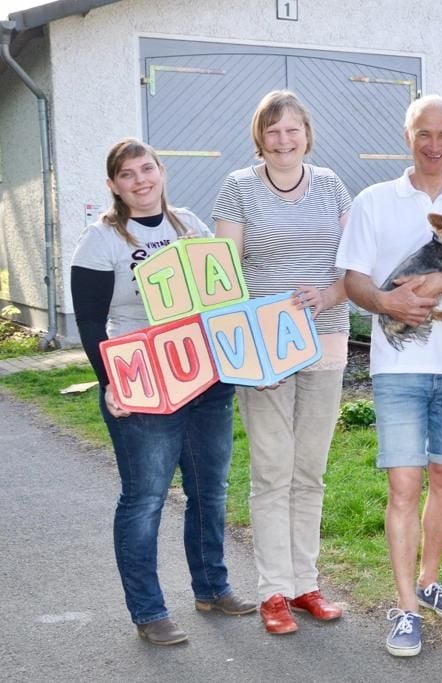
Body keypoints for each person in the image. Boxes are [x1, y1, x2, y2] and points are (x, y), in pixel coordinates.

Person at [70, 139, 256, 645]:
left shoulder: (189, 225)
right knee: (145, 498)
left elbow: (222, 295)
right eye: (127, 174)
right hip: (145, 387)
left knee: (209, 491)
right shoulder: (101, 239)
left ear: (161, 171)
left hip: (205, 378)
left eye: (147, 169)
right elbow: (89, 321)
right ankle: (149, 612)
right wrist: (111, 384)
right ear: (113, 185)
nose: (140, 180)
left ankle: (212, 589)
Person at [337, 95, 442, 657]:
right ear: (408, 136)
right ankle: (403, 609)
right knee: (405, 485)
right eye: (424, 133)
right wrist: (387, 304)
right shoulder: (375, 201)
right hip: (399, 367)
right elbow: (353, 281)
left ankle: (428, 582)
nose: (434, 144)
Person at [213, 90, 351, 635]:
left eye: (292, 130)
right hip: (264, 349)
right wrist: (256, 326)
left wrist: (328, 296)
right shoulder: (238, 188)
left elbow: (353, 269)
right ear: (259, 138)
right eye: (273, 132)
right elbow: (224, 274)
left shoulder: (333, 185)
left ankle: (305, 585)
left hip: (326, 342)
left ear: (307, 135)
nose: (283, 140)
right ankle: (272, 590)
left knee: (309, 472)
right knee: (272, 470)